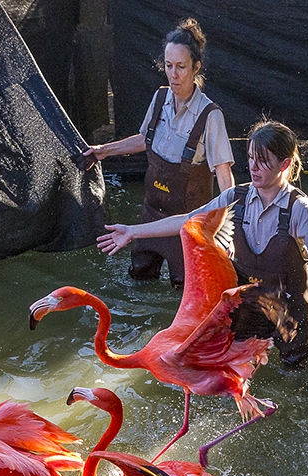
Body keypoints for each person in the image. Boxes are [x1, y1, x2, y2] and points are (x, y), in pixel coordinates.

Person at [97, 119, 308, 368]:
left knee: (296, 372)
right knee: (235, 368)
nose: (253, 167)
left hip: (291, 312)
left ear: (285, 164)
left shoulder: (299, 208)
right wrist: (133, 231)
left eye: (263, 160)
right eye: (251, 158)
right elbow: (189, 220)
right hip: (248, 307)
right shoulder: (236, 197)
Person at [82, 19, 234, 287]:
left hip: (187, 228)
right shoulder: (160, 98)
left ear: (196, 67)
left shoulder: (211, 117)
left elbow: (225, 179)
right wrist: (103, 151)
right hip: (150, 217)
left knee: (182, 289)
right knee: (138, 280)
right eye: (168, 66)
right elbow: (144, 139)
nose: (173, 74)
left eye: (181, 67)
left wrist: (228, 230)